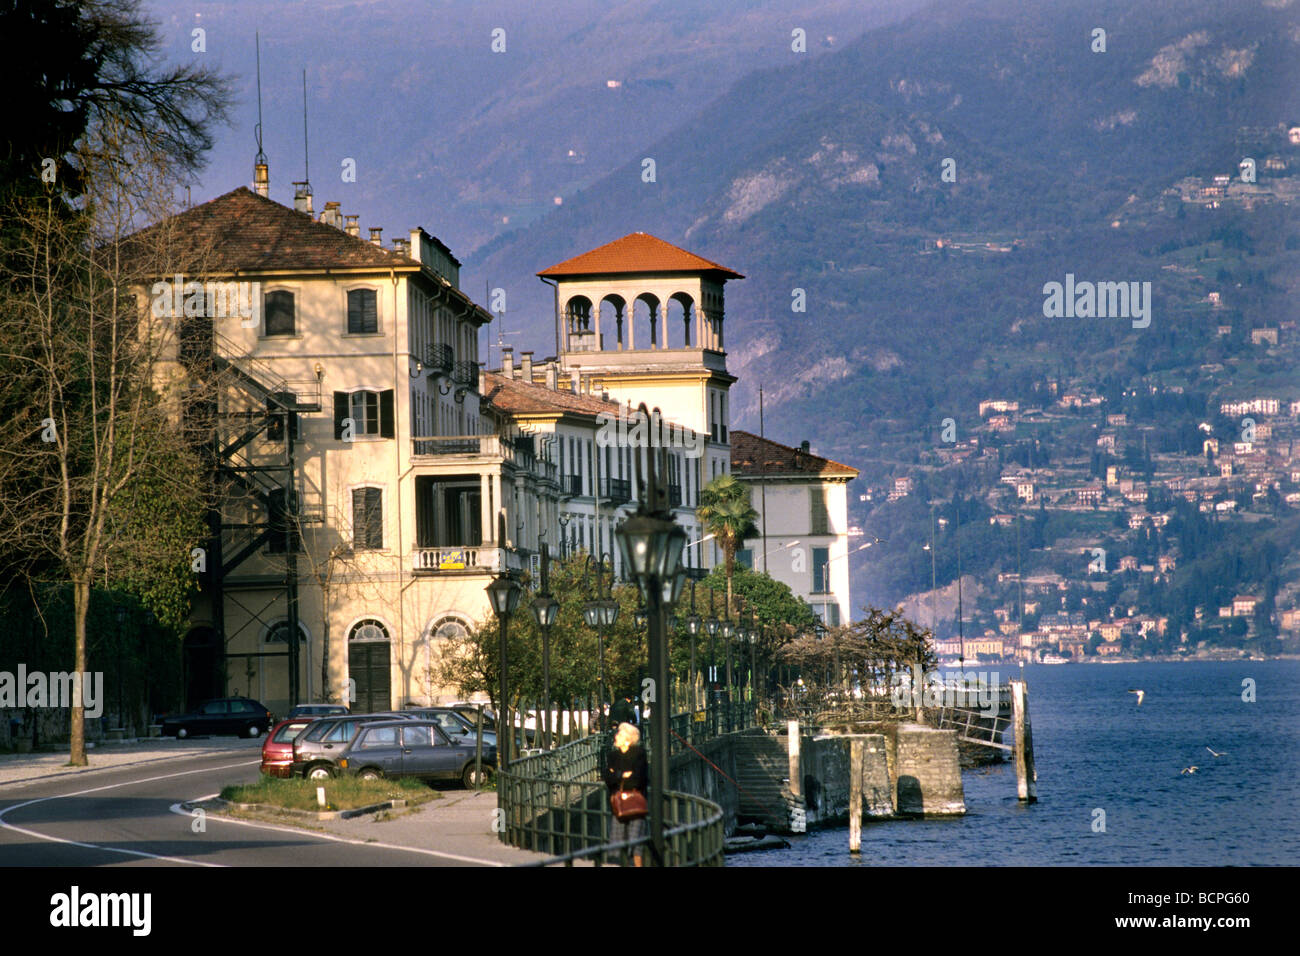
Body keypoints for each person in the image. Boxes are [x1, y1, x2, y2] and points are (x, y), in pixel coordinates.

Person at [603, 722, 649, 866]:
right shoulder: (612, 756)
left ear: (628, 739)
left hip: (635, 805)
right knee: (616, 846)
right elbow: (607, 778)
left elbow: (638, 779)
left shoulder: (639, 754)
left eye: (619, 734)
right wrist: (625, 775)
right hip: (618, 805)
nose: (615, 737)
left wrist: (618, 777)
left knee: (636, 847)